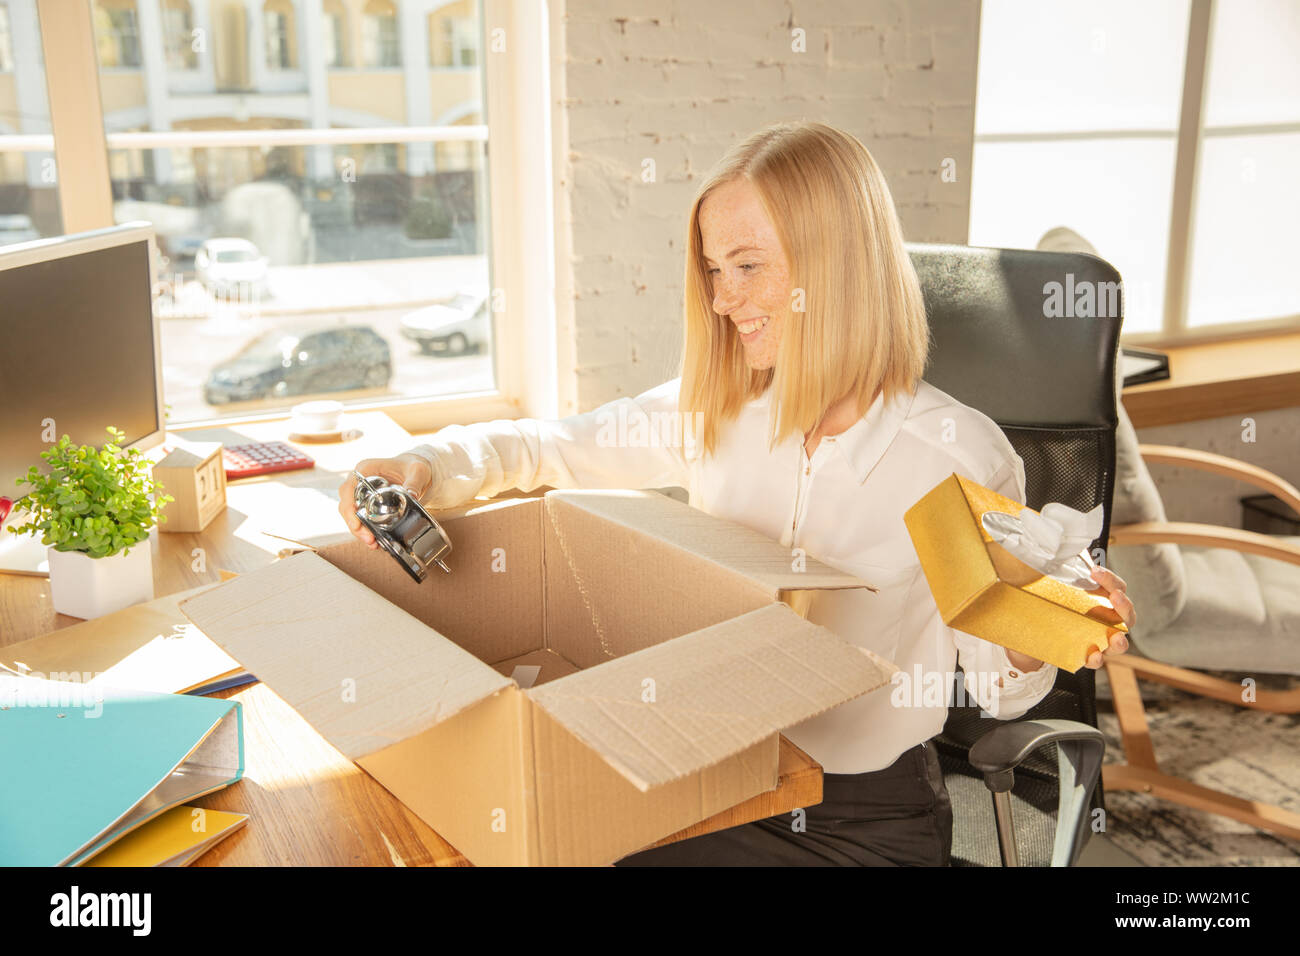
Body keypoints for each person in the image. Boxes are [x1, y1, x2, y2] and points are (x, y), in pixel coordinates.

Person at [337, 121, 1136, 866]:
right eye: (715, 272)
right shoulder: (721, 404)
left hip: (856, 816)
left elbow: (1000, 689)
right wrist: (425, 466)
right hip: (707, 776)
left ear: (837, 262)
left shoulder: (949, 454)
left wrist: (1053, 626)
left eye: (747, 266)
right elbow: (553, 446)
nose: (721, 301)